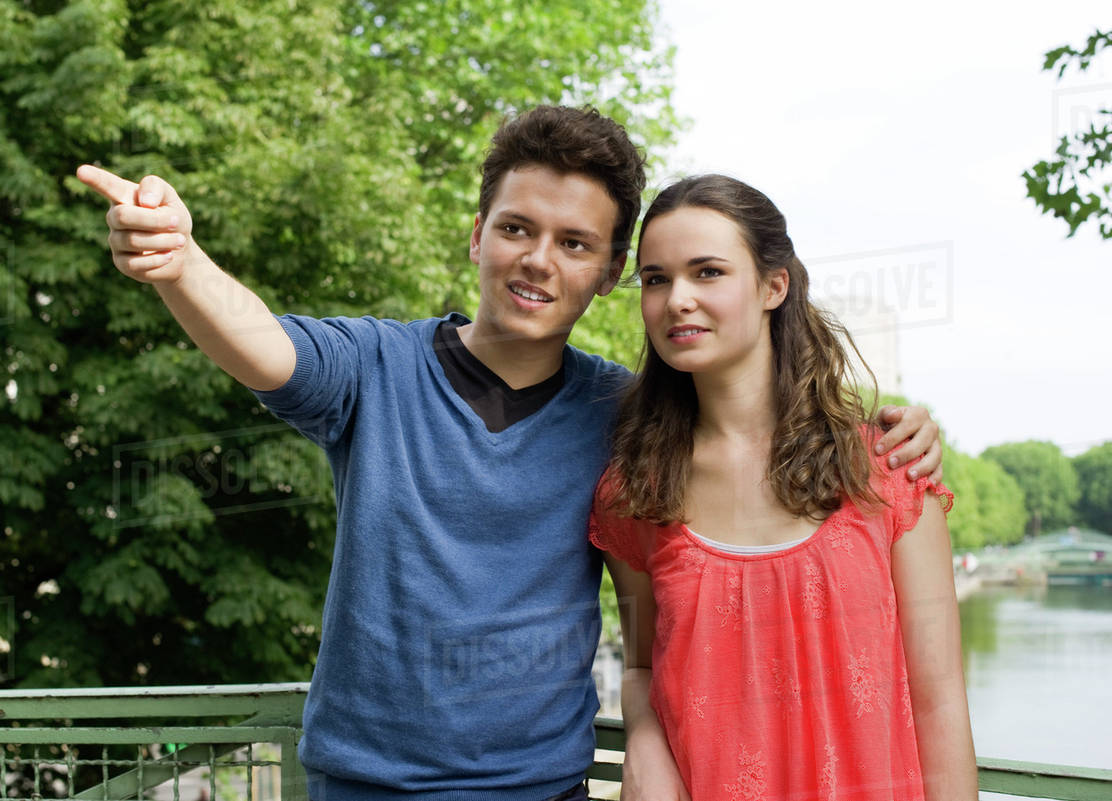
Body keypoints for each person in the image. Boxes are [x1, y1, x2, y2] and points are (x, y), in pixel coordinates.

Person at [76, 108, 944, 801]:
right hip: (366, 785)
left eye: (575, 245)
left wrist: (895, 431)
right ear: (478, 235)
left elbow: (750, 416)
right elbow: (261, 343)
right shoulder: (376, 368)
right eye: (518, 228)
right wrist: (179, 262)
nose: (538, 260)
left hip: (542, 786)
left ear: (606, 273)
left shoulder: (630, 419)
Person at [590, 175, 976, 801]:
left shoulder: (886, 468)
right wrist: (643, 743)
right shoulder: (633, 491)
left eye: (708, 272)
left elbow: (939, 706)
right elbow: (639, 666)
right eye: (656, 279)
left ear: (775, 285)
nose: (677, 299)